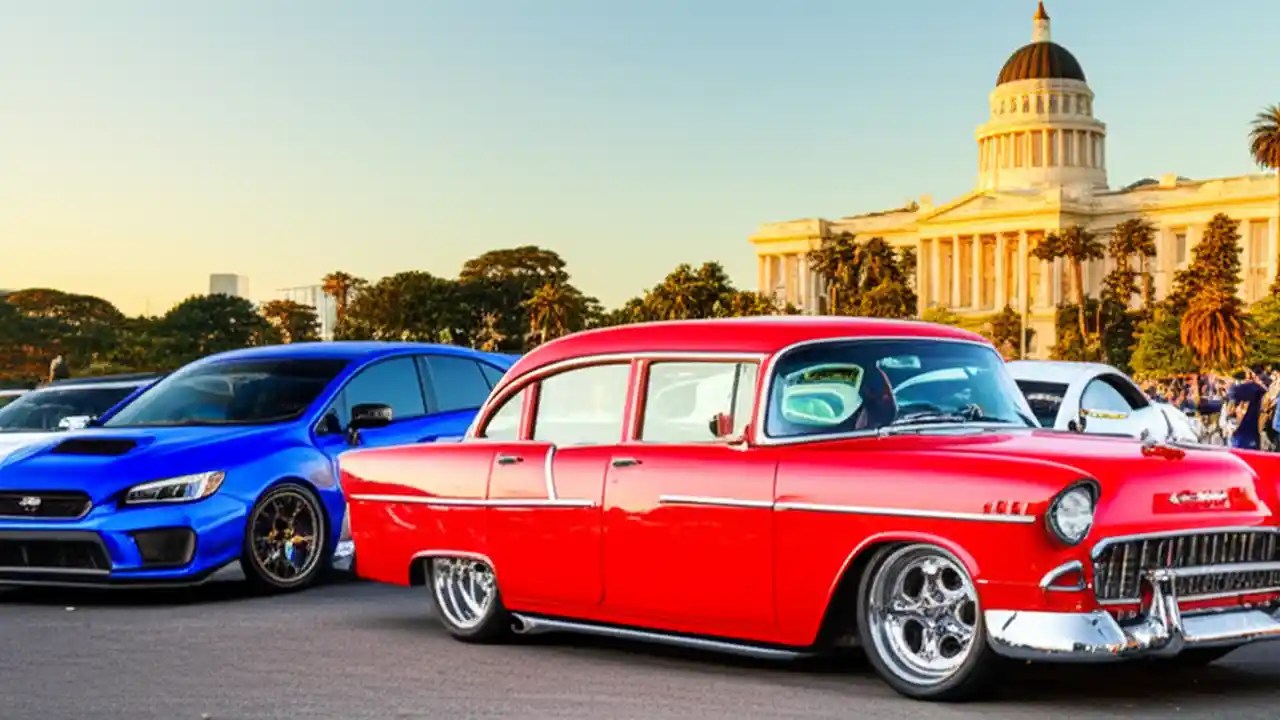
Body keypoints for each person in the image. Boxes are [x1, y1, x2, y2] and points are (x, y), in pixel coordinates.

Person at [1226, 368, 1266, 450]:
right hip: (1252, 428)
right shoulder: (1257, 388)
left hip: (1239, 429)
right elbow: (1265, 393)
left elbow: (1230, 409)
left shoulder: (1236, 389)